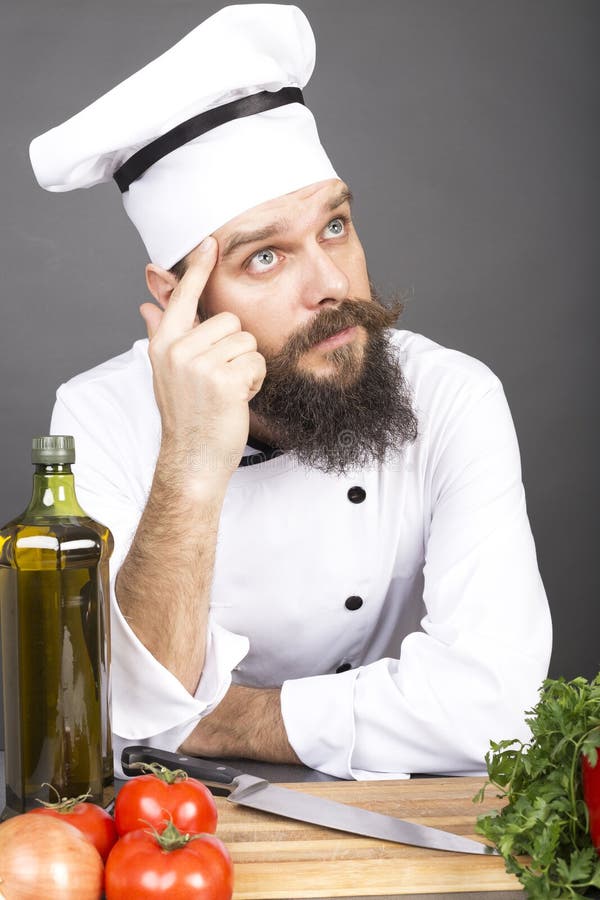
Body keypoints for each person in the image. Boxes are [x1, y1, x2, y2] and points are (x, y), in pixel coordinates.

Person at [30, 4, 552, 780]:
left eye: (334, 226)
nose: (332, 285)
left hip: (405, 820)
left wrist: (218, 718)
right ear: (179, 299)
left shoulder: (454, 398)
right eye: (266, 259)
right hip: (186, 826)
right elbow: (110, 714)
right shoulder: (100, 417)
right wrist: (191, 464)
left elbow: (498, 710)